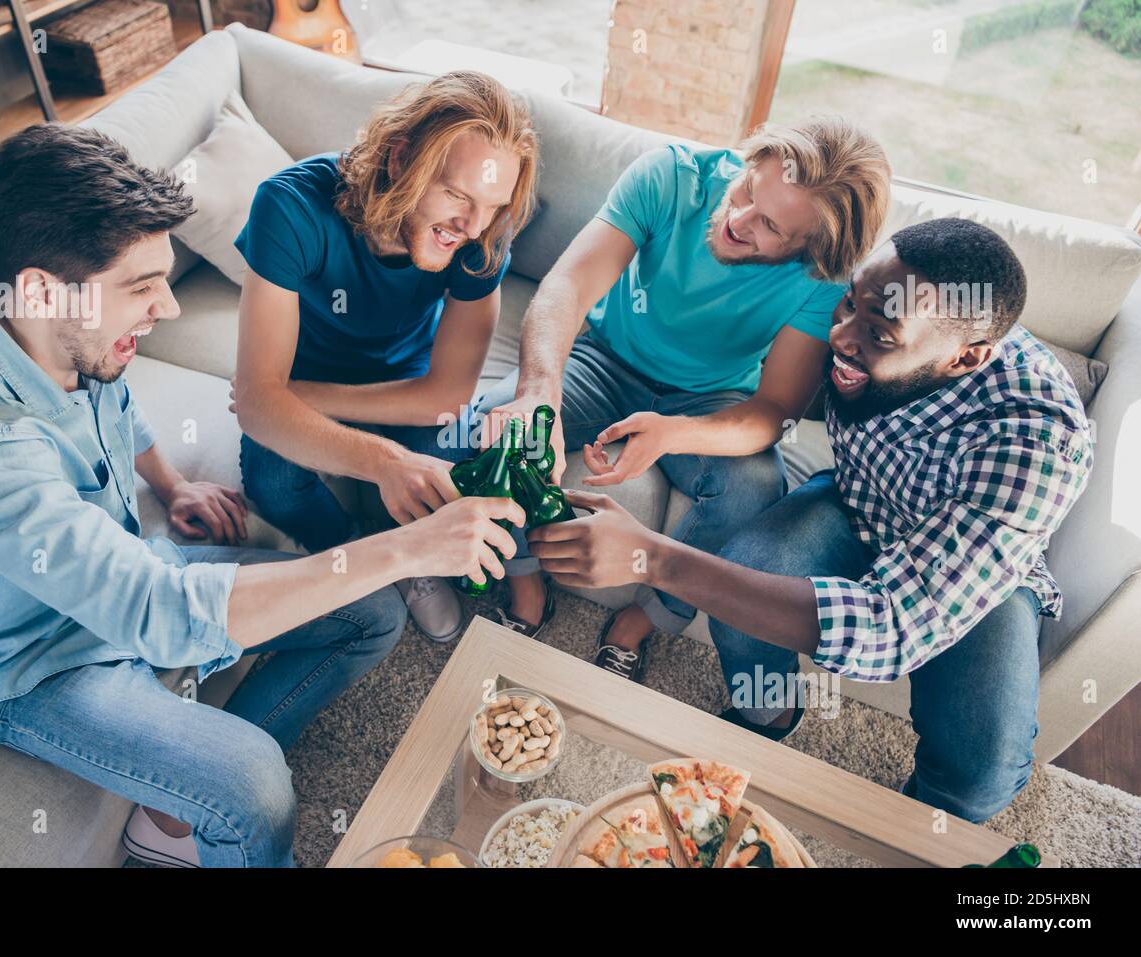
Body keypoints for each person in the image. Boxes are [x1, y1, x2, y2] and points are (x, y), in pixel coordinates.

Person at [0, 124, 523, 867]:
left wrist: (170, 481)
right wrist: (409, 546)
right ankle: (216, 789)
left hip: (127, 567)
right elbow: (156, 612)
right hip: (34, 663)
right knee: (251, 786)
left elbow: (110, 403)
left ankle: (175, 795)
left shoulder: (39, 323)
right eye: (141, 287)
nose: (169, 308)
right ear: (42, 290)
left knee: (369, 613)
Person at [526, 219, 1093, 822]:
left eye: (877, 334)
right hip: (859, 500)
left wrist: (652, 557)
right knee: (745, 579)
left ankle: (915, 832)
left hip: (970, 573)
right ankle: (768, 714)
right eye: (848, 303)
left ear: (966, 359)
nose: (841, 336)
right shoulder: (905, 315)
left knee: (978, 778)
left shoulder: (1039, 443)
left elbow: (891, 629)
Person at [477, 116, 890, 679]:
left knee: (755, 490)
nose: (738, 220)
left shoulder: (825, 281)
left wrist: (676, 432)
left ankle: (641, 621)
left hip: (711, 398)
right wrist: (537, 395)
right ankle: (525, 585)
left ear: (811, 248)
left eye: (769, 225)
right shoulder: (670, 177)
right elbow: (567, 286)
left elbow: (774, 410)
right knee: (497, 430)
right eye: (747, 190)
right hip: (603, 356)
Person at [230, 71, 538, 643]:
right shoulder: (290, 206)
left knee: (453, 476)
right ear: (400, 159)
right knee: (272, 485)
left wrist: (290, 398)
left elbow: (446, 396)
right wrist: (381, 462)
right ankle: (365, 556)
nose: (472, 227)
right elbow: (256, 408)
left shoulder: (483, 237)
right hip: (310, 368)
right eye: (457, 195)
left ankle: (417, 563)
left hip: (404, 380)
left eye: (493, 206)